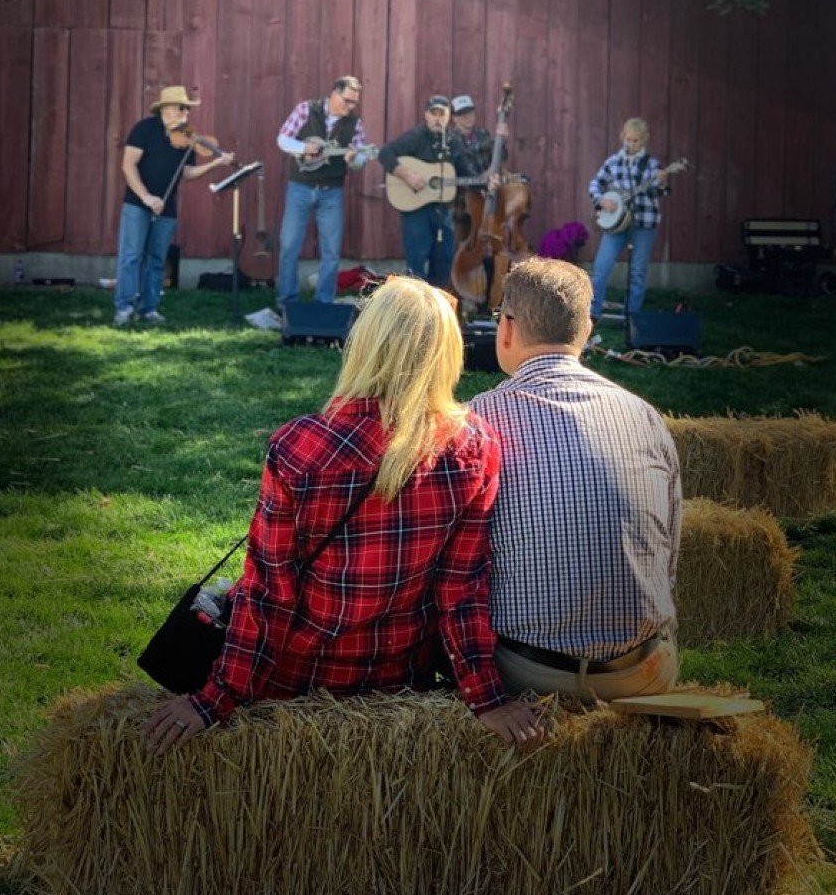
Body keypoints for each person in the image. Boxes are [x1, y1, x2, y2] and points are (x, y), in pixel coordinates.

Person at [145, 277, 541, 754]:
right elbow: (462, 591)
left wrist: (213, 700)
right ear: (448, 354)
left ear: (365, 343)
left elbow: (269, 593)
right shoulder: (475, 449)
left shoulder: (300, 446)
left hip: (297, 681)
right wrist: (487, 699)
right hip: (400, 682)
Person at [469, 256, 681, 701]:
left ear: (506, 327)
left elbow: (459, 561)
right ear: (586, 330)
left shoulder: (480, 418)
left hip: (529, 673)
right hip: (640, 670)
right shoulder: (644, 416)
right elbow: (669, 553)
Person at [113, 85, 233, 326]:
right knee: (131, 256)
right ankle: (124, 309)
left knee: (157, 259)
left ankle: (149, 309)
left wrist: (215, 164)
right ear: (166, 109)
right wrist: (146, 197)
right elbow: (128, 165)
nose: (186, 115)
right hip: (138, 203)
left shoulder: (186, 137)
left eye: (187, 110)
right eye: (182, 109)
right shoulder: (144, 129)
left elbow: (187, 173)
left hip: (167, 207)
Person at [275, 76, 373, 311]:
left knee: (331, 250)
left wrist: (355, 159)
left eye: (354, 103)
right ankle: (287, 302)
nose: (351, 107)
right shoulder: (306, 110)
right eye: (347, 101)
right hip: (300, 187)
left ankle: (324, 303)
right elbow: (282, 139)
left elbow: (361, 160)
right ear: (334, 93)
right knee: (289, 245)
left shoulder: (355, 124)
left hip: (332, 191)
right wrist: (304, 148)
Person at [587, 118, 670, 324]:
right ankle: (592, 315)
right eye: (628, 139)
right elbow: (595, 184)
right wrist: (602, 200)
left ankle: (632, 318)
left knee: (638, 272)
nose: (630, 144)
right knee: (601, 268)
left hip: (643, 223)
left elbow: (662, 191)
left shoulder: (652, 165)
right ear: (622, 137)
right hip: (616, 224)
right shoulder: (614, 162)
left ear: (644, 140)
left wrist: (662, 181)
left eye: (635, 140)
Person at [378, 96, 463, 288]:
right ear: (426, 115)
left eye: (442, 114)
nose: (438, 119)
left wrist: (486, 181)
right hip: (416, 210)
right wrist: (406, 174)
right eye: (434, 114)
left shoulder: (454, 142)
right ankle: (414, 309)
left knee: (444, 261)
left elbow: (467, 172)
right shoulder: (416, 137)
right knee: (416, 262)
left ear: (449, 117)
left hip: (444, 212)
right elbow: (385, 153)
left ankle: (436, 311)